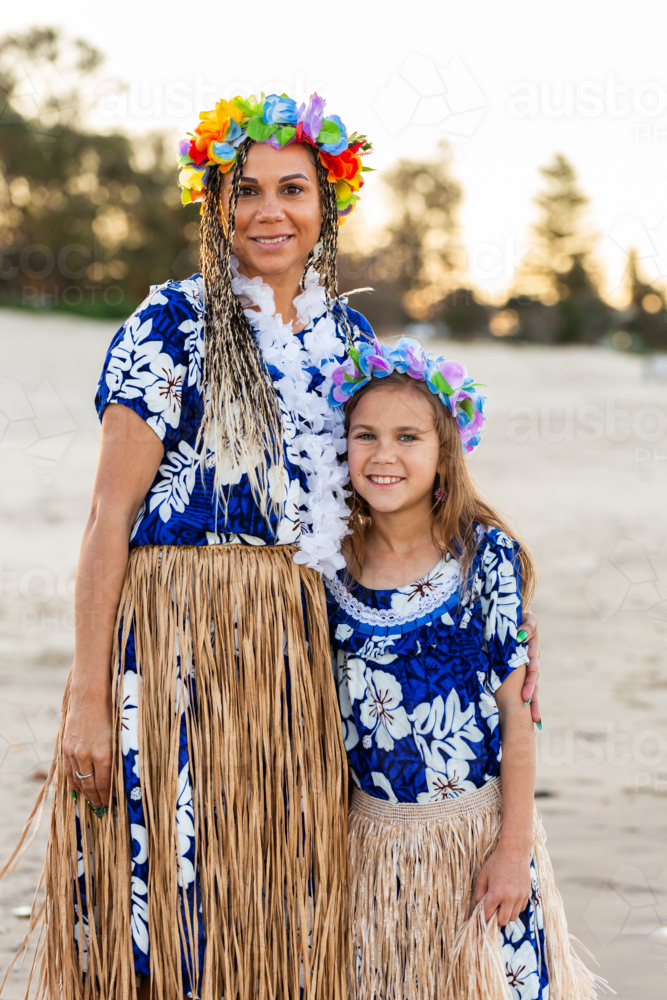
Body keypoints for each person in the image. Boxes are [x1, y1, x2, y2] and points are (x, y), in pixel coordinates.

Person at [0, 96, 541, 1000]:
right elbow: (106, 518)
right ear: (215, 206)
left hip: (295, 654)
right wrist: (86, 700)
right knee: (168, 890)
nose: (267, 211)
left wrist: (492, 585)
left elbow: (391, 484)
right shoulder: (168, 324)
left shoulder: (350, 342)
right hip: (171, 644)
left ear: (326, 205)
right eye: (243, 190)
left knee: (275, 893)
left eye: (292, 189)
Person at [324, 338, 603, 999]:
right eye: (364, 435)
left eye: (407, 437)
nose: (383, 455)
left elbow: (517, 715)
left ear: (443, 452)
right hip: (371, 848)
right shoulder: (327, 563)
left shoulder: (483, 558)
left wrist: (512, 854)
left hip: (475, 840)